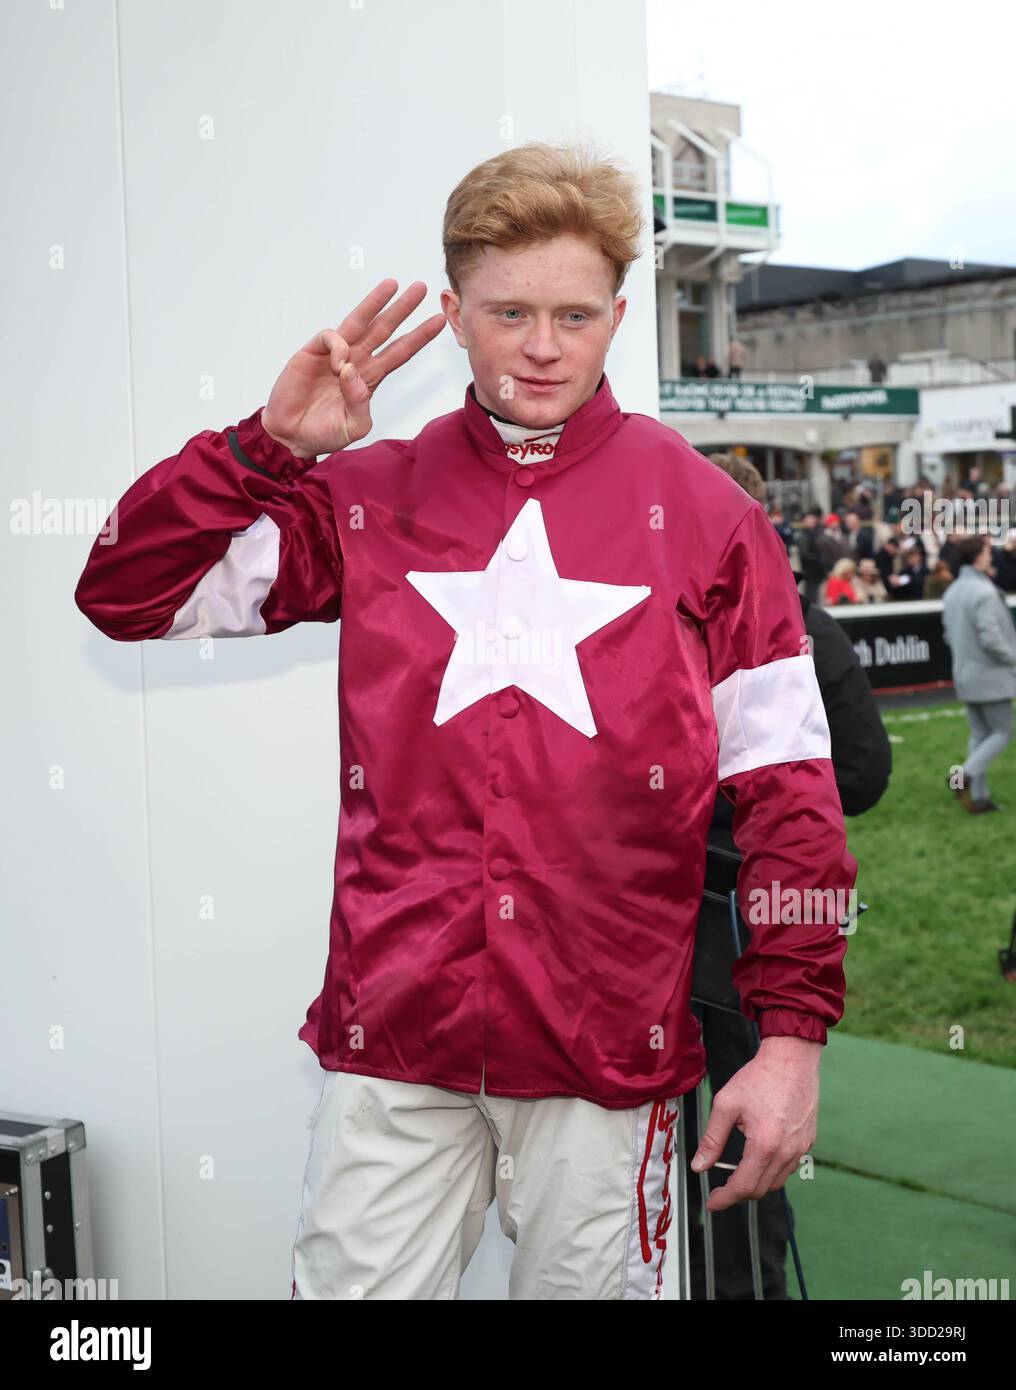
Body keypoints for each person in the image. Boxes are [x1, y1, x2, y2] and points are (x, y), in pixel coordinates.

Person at [74, 140, 856, 1302]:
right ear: (451, 312)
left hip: (607, 1057)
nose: (542, 347)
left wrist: (789, 1040)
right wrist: (263, 451)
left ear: (617, 314)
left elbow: (791, 795)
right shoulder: (363, 494)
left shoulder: (710, 515)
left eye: (574, 314)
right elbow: (125, 593)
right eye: (508, 313)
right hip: (395, 1040)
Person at [690, 453, 891, 1299]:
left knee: (744, 1110)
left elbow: (859, 770)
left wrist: (757, 809)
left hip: (746, 912)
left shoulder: (796, 624)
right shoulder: (671, 615)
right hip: (687, 909)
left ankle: (745, 1283)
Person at [942, 533, 1016, 814]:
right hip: (990, 675)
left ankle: (979, 796)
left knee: (980, 734)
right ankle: (964, 776)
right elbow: (991, 638)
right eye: (987, 550)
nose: (991, 555)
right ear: (977, 556)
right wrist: (1012, 659)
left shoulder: (953, 592)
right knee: (1000, 732)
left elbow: (949, 635)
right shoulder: (983, 592)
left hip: (965, 673)